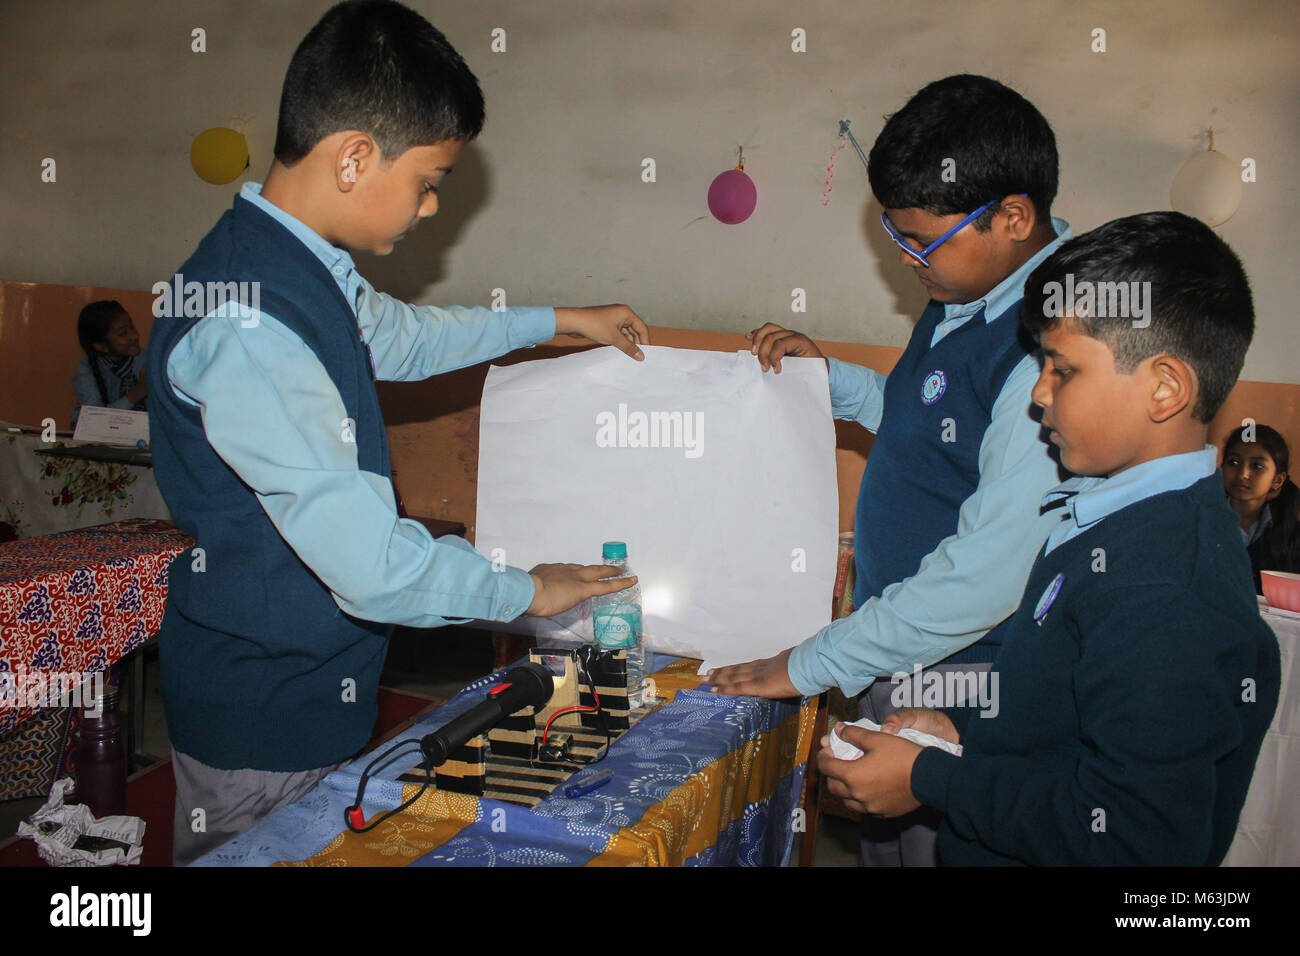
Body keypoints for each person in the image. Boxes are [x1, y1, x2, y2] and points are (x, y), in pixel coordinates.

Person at [146, 0, 649, 865]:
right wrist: (530, 589)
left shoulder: (305, 265)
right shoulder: (247, 319)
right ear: (353, 158)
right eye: (427, 183)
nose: (426, 210)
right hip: (258, 720)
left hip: (314, 690)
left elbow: (407, 337)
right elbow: (374, 570)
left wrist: (560, 320)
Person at [817, 212, 1280, 865]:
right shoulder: (1105, 515)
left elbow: (1131, 836)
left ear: (1165, 388)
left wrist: (931, 780)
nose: (1038, 394)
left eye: (1062, 368)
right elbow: (1066, 706)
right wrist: (963, 725)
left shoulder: (1170, 585)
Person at [708, 74, 1069, 865]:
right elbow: (932, 426)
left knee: (942, 845)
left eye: (921, 241)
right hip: (902, 646)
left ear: (1013, 216)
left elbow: (986, 574)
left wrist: (804, 665)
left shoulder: (1053, 343)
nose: (908, 259)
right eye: (892, 234)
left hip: (973, 671)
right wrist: (832, 382)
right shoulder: (964, 288)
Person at [1223, 423, 1300, 590]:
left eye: (1257, 466)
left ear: (1277, 480)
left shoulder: (1291, 536)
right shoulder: (1200, 520)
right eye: (1233, 462)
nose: (1243, 473)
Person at [71, 300, 146, 425]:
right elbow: (94, 422)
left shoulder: (147, 359)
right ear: (101, 346)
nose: (134, 336)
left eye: (132, 327)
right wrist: (139, 392)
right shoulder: (86, 370)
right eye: (123, 334)